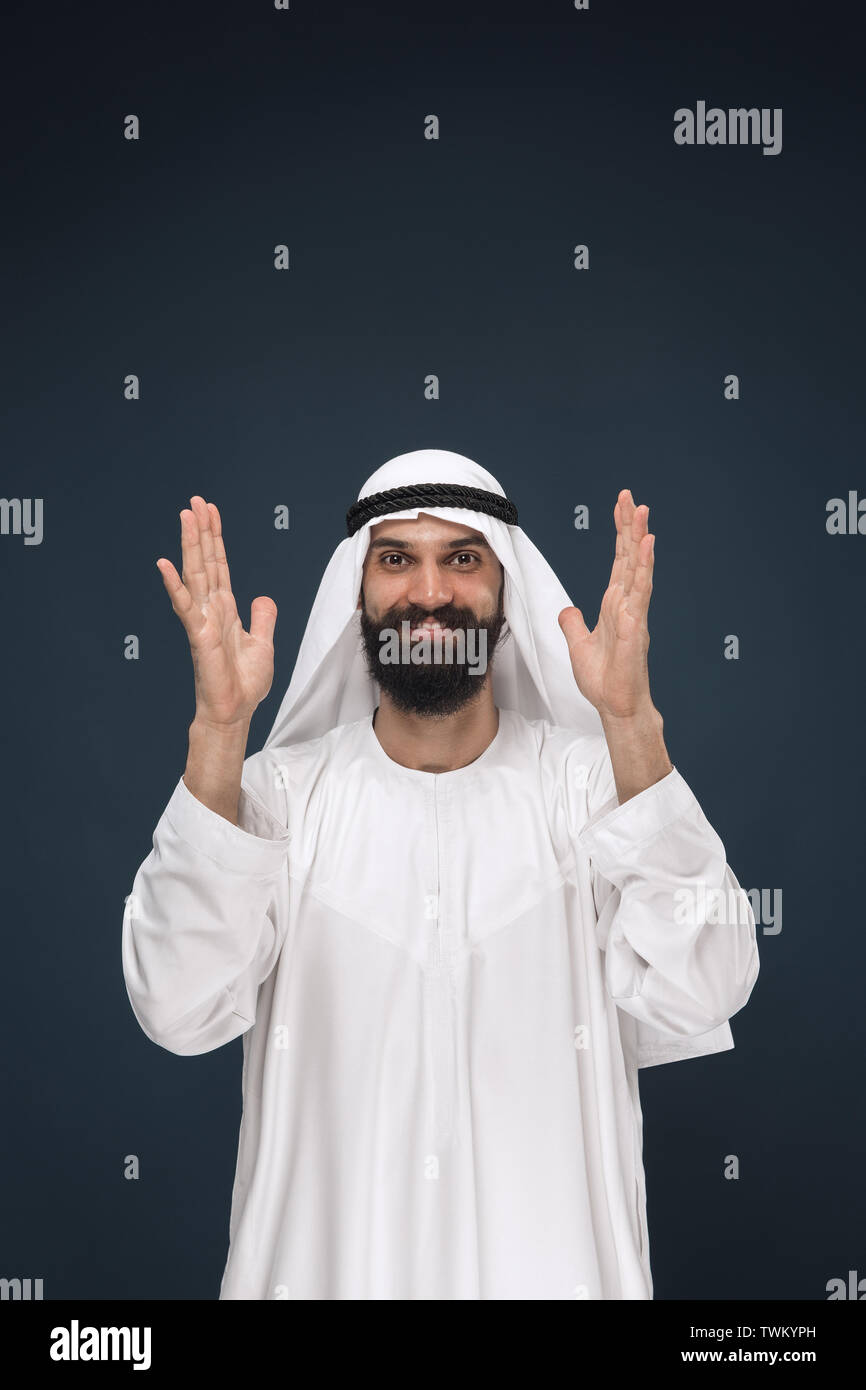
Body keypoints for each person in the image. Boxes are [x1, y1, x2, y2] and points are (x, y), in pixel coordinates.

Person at [122, 448, 759, 1300]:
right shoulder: (277, 799)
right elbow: (175, 1004)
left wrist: (629, 719)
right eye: (397, 560)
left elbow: (708, 985)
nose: (428, 593)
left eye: (462, 558)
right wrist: (220, 729)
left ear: (506, 594)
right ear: (359, 591)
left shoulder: (594, 793)